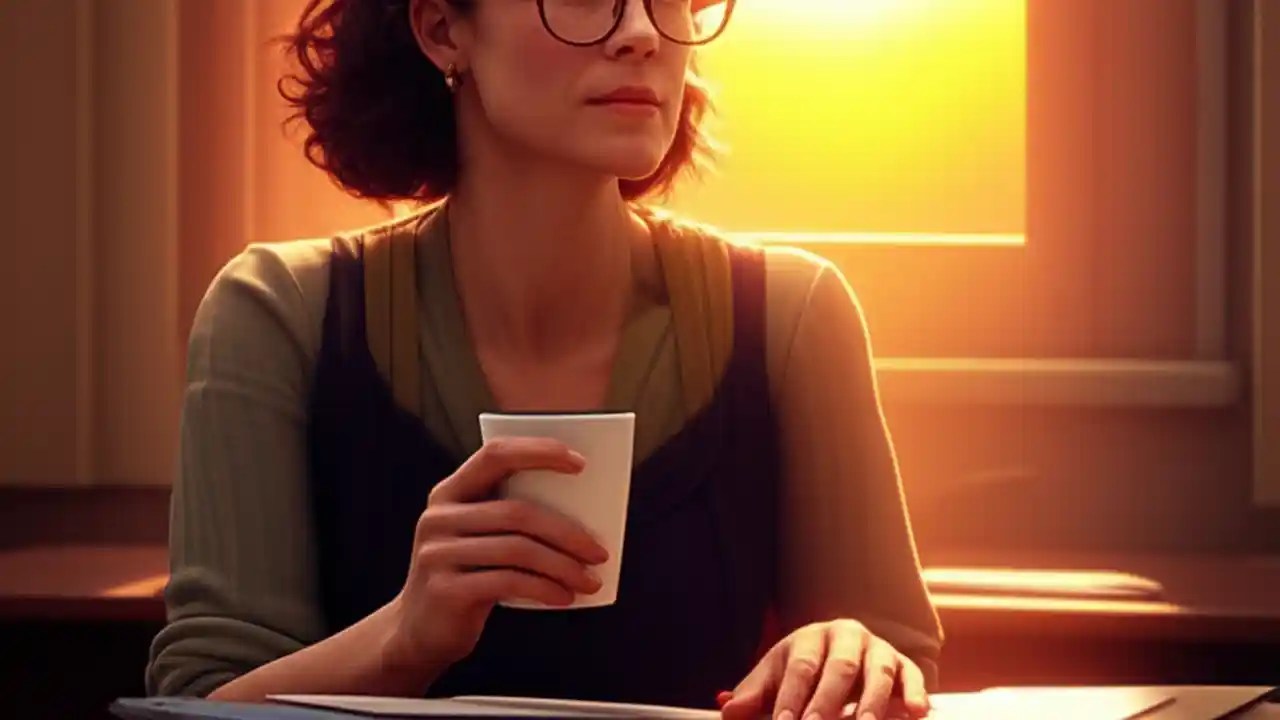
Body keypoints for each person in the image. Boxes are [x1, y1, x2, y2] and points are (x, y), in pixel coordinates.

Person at [145, 0, 944, 718]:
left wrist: (854, 654)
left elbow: (895, 662)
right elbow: (202, 702)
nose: (639, 33)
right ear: (442, 28)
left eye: (668, 0)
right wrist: (405, 639)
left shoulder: (790, 314)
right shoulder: (280, 313)